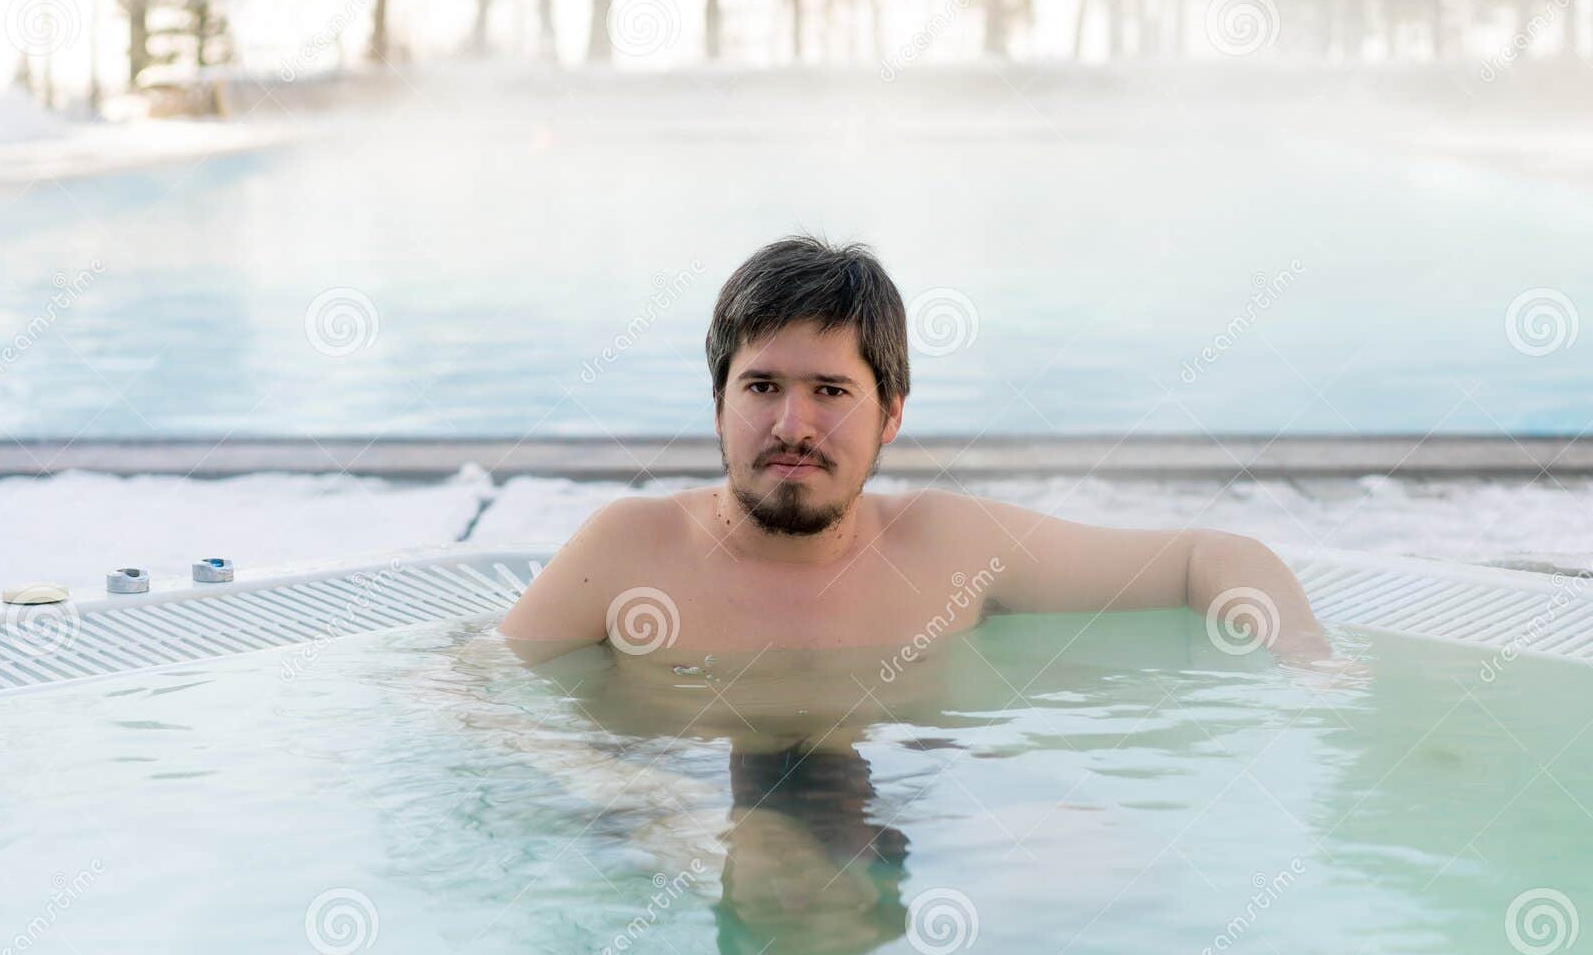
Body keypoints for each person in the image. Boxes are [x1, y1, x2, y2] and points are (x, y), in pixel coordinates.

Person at [500, 235, 1330, 664]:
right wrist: (634, 799)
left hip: (898, 804)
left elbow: (1212, 559)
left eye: (830, 392)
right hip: (685, 820)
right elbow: (470, 696)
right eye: (761, 388)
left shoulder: (950, 550)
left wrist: (1318, 677)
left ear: (891, 413)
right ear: (718, 404)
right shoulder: (628, 551)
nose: (793, 424)